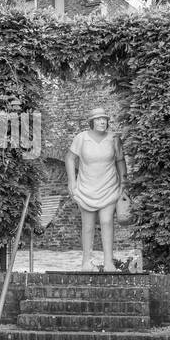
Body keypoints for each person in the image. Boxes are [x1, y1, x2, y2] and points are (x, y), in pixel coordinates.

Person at [65, 107, 127, 272]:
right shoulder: (81, 138)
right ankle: (86, 262)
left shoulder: (114, 138)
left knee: (107, 222)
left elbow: (120, 160)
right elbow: (70, 158)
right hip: (86, 188)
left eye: (104, 119)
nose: (102, 122)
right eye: (99, 119)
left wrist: (123, 182)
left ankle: (109, 262)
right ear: (91, 122)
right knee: (88, 225)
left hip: (109, 186)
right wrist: (72, 182)